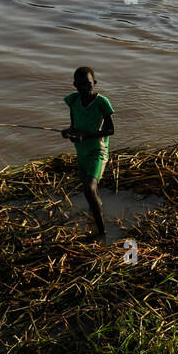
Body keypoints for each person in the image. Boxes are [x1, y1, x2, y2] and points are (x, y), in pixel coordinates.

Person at [61, 66, 115, 237]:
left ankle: (102, 232)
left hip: (97, 151)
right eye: (80, 85)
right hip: (82, 153)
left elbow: (110, 130)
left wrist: (86, 135)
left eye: (88, 85)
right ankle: (95, 214)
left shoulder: (102, 102)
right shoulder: (73, 100)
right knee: (90, 191)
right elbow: (73, 126)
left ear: (95, 83)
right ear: (75, 85)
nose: (84, 88)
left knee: (89, 189)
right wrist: (69, 132)